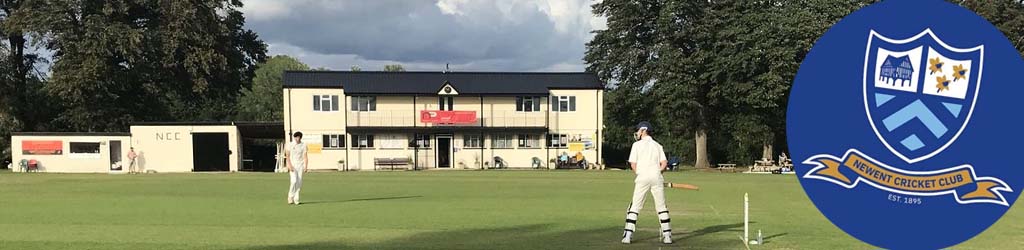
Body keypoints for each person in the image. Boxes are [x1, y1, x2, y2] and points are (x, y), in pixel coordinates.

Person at [621, 121, 672, 244]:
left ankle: (627, 236)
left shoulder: (636, 145)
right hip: (656, 177)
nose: (637, 132)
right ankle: (667, 236)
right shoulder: (658, 145)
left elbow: (633, 164)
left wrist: (641, 174)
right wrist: (657, 173)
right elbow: (664, 163)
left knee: (635, 206)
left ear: (643, 130)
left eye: (639, 130)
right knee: (661, 207)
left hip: (642, 177)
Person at [286, 131, 309, 205]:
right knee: (294, 181)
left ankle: (296, 199)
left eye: (298, 137)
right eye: (295, 137)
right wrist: (289, 165)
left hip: (300, 165)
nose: (296, 139)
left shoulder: (303, 145)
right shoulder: (290, 145)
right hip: (293, 165)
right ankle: (290, 197)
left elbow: (305, 156)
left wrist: (306, 166)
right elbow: (287, 156)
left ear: (300, 138)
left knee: (299, 182)